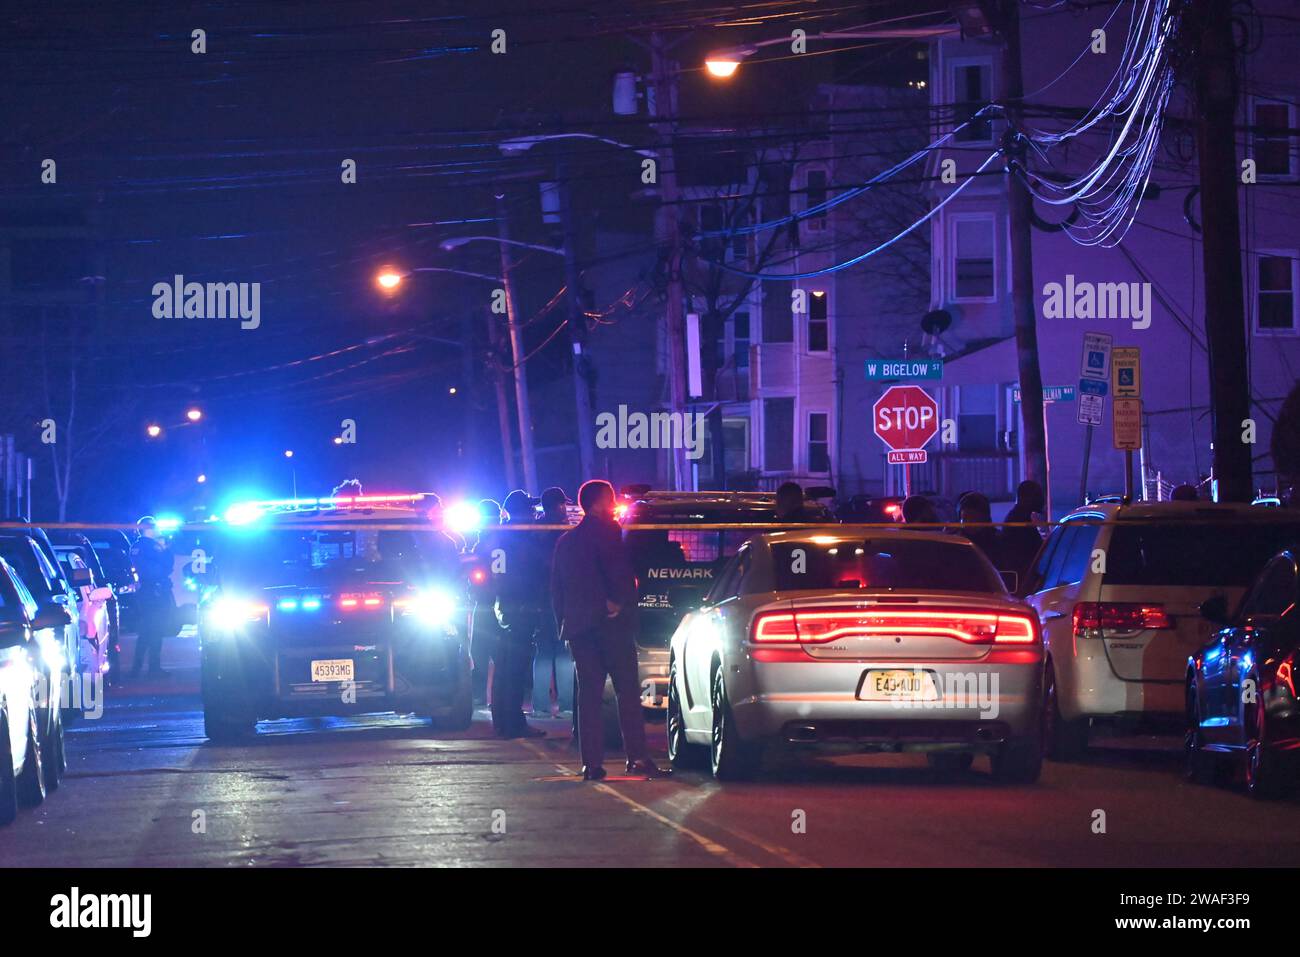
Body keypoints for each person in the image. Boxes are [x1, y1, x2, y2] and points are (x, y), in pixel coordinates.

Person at [551, 480, 668, 780]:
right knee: (627, 692)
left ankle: (591, 763)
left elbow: (557, 589)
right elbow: (620, 573)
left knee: (588, 696)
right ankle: (637, 757)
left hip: (578, 627)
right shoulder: (610, 533)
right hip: (611, 625)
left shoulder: (565, 542)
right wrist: (620, 602)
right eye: (610, 500)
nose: (614, 506)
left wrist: (563, 624)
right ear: (598, 503)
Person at [489, 490, 545, 739]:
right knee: (515, 669)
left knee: (503, 667)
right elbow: (533, 571)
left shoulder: (496, 536)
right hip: (519, 606)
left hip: (499, 606)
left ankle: (502, 721)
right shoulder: (521, 538)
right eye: (530, 510)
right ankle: (513, 723)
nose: (534, 514)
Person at [129, 516, 176, 678]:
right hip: (153, 592)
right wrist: (164, 547)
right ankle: (151, 668)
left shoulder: (140, 546)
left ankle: (141, 667)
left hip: (150, 592)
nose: (158, 529)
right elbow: (166, 566)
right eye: (155, 527)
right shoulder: (150, 546)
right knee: (154, 630)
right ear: (148, 528)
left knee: (149, 630)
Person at [1000, 480, 1046, 582]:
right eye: (1038, 496)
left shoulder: (1018, 518)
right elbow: (1038, 551)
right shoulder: (1020, 522)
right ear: (1027, 498)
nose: (1042, 500)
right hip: (1022, 579)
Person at [955, 491, 1002, 568]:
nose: (969, 522)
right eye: (965, 518)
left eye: (974, 517)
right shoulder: (956, 541)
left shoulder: (997, 541)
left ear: (984, 518)